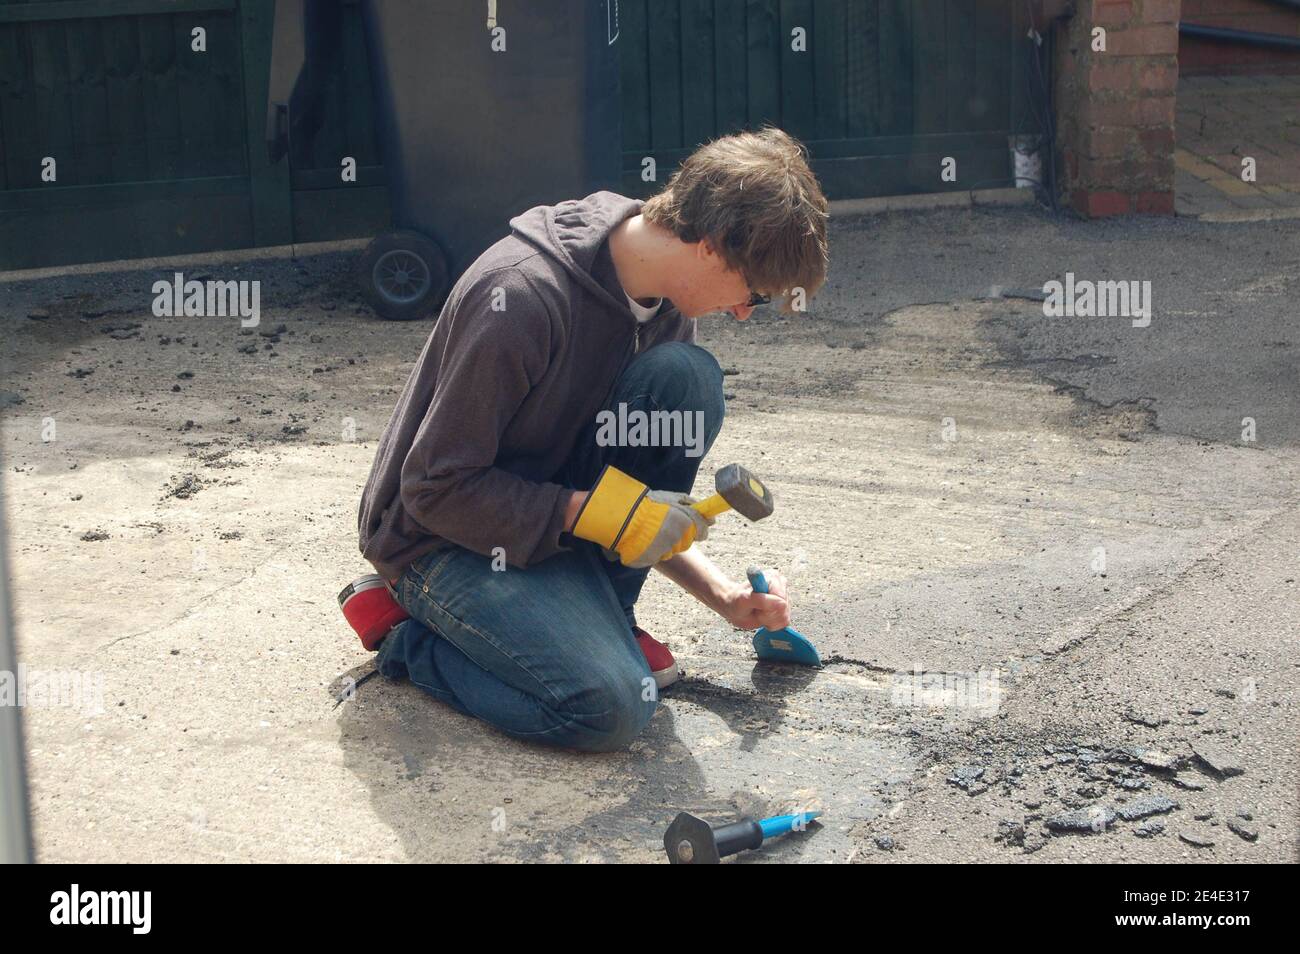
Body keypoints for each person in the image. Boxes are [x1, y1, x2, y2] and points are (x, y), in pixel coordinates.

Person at [342, 127, 829, 751]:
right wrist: (600, 513)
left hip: (550, 523)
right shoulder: (519, 298)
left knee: (685, 380)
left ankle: (606, 615)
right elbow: (434, 489)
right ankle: (406, 636)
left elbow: (635, 508)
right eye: (753, 295)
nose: (742, 313)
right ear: (711, 247)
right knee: (610, 709)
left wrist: (724, 595)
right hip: (441, 542)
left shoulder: (667, 307)